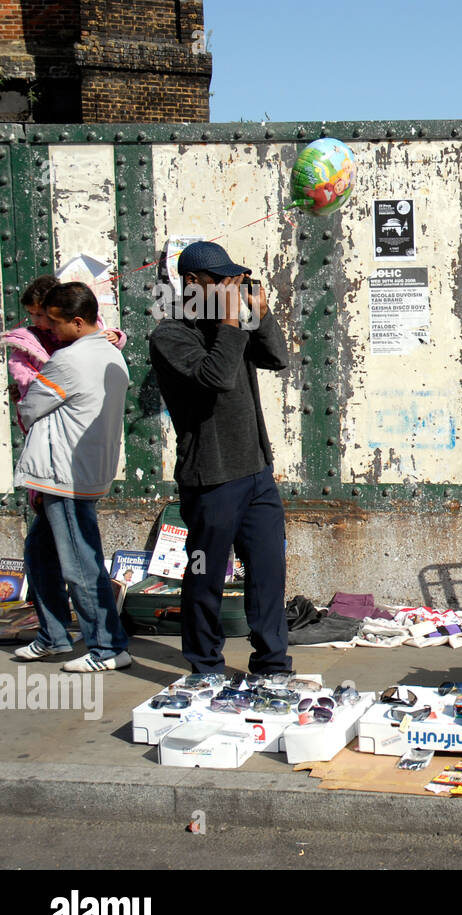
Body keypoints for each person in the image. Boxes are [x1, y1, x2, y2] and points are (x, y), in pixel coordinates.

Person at [148, 241, 293, 677]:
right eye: (223, 281)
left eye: (235, 281)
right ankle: (205, 665)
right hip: (211, 479)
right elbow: (216, 378)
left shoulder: (227, 326)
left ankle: (272, 664)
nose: (231, 288)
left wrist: (260, 314)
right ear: (193, 283)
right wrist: (231, 320)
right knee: (205, 577)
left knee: (267, 574)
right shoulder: (170, 334)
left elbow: (276, 358)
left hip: (256, 474)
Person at [12, 282, 132, 672]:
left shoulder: (68, 360)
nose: (50, 330)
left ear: (78, 322)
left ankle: (107, 647)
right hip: (84, 468)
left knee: (80, 563)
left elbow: (29, 408)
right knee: (40, 553)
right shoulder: (111, 354)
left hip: (61, 474)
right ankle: (54, 636)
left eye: (56, 323)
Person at [5, 275, 125, 430]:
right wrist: (35, 384)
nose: (35, 320)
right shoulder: (30, 339)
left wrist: (117, 337)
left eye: (41, 315)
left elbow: (106, 337)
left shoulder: (84, 343)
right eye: (31, 314)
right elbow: (21, 372)